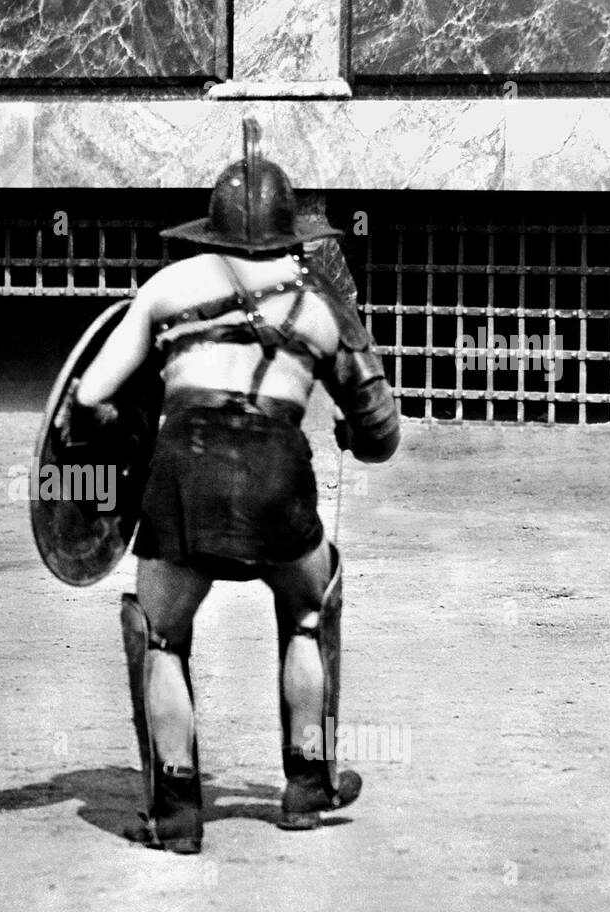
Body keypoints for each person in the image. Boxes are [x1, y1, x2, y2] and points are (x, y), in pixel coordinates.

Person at [60, 121, 400, 854]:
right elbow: (380, 433)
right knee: (311, 604)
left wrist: (133, 422)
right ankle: (307, 785)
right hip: (280, 481)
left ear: (210, 229)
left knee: (162, 635)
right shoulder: (320, 309)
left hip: (182, 479)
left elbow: (87, 397)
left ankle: (176, 815)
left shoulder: (167, 289)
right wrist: (347, 434)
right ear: (292, 232)